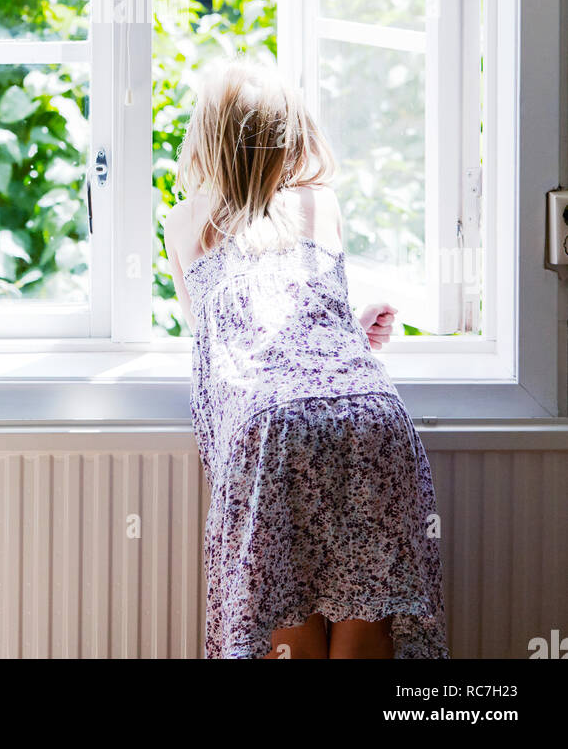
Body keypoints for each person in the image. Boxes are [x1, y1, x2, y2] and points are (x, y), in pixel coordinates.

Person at [163, 56, 449, 660]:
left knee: (284, 622)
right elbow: (298, 308)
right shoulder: (320, 204)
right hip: (368, 415)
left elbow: (226, 335)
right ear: (293, 132)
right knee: (366, 615)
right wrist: (350, 325)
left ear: (208, 141)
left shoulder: (184, 222)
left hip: (272, 426)